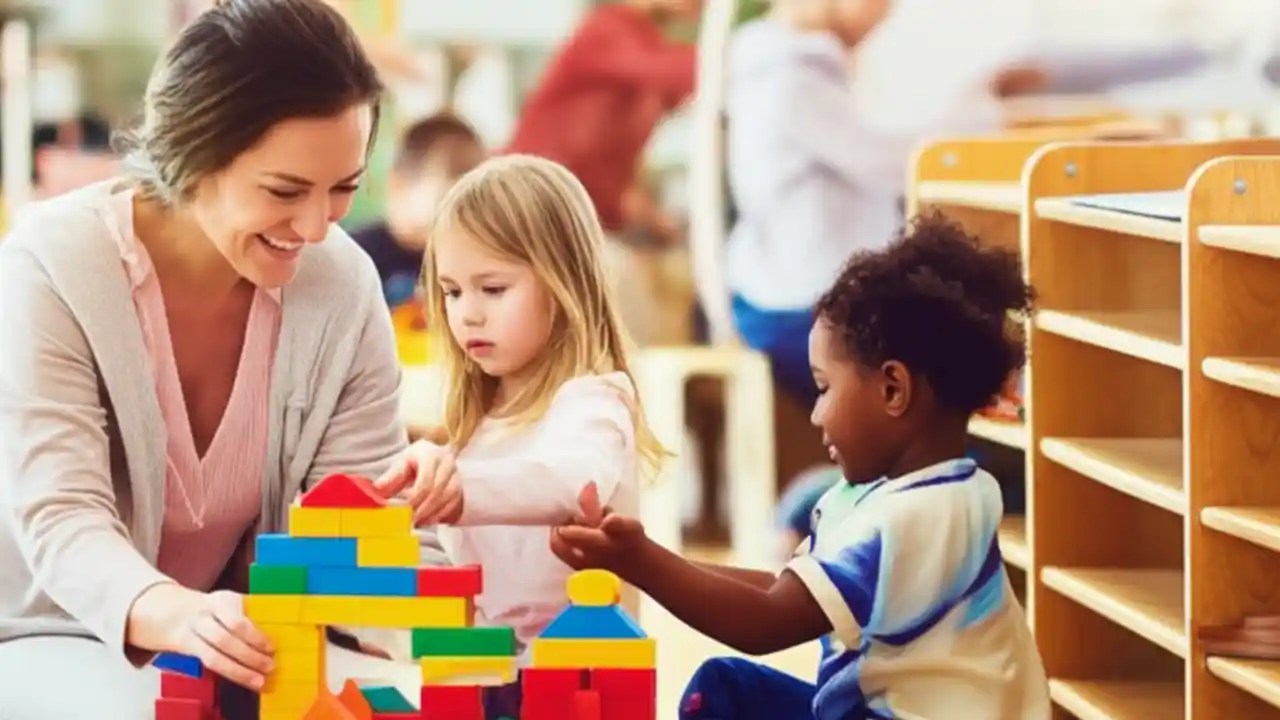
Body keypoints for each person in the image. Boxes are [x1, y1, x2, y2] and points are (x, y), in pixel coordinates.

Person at [0, 1, 445, 716]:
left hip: (239, 642)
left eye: (343, 188)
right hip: (45, 628)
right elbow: (63, 519)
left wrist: (417, 531)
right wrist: (182, 615)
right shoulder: (52, 265)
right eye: (284, 190)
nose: (316, 227)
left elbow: (352, 538)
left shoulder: (342, 285)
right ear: (193, 154)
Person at [550, 213, 1050, 719]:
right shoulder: (923, 493)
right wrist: (639, 555)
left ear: (892, 390)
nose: (815, 414)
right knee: (724, 688)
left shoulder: (920, 517)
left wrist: (641, 562)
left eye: (824, 388)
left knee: (725, 693)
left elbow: (768, 621)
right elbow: (780, 588)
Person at [372, 154, 665, 719]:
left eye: (492, 288)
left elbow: (569, 481)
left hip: (579, 687)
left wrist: (458, 488)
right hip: (493, 679)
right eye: (452, 292)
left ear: (562, 282)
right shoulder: (477, 426)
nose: (467, 315)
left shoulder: (594, 400)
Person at [503, 0, 702, 345]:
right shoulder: (608, 32)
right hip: (533, 215)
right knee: (625, 287)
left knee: (677, 281)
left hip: (584, 220)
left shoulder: (647, 49)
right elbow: (690, 71)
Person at [349, 112, 485, 309]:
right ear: (399, 185)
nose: (463, 216)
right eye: (445, 199)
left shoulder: (469, 260)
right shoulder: (356, 257)